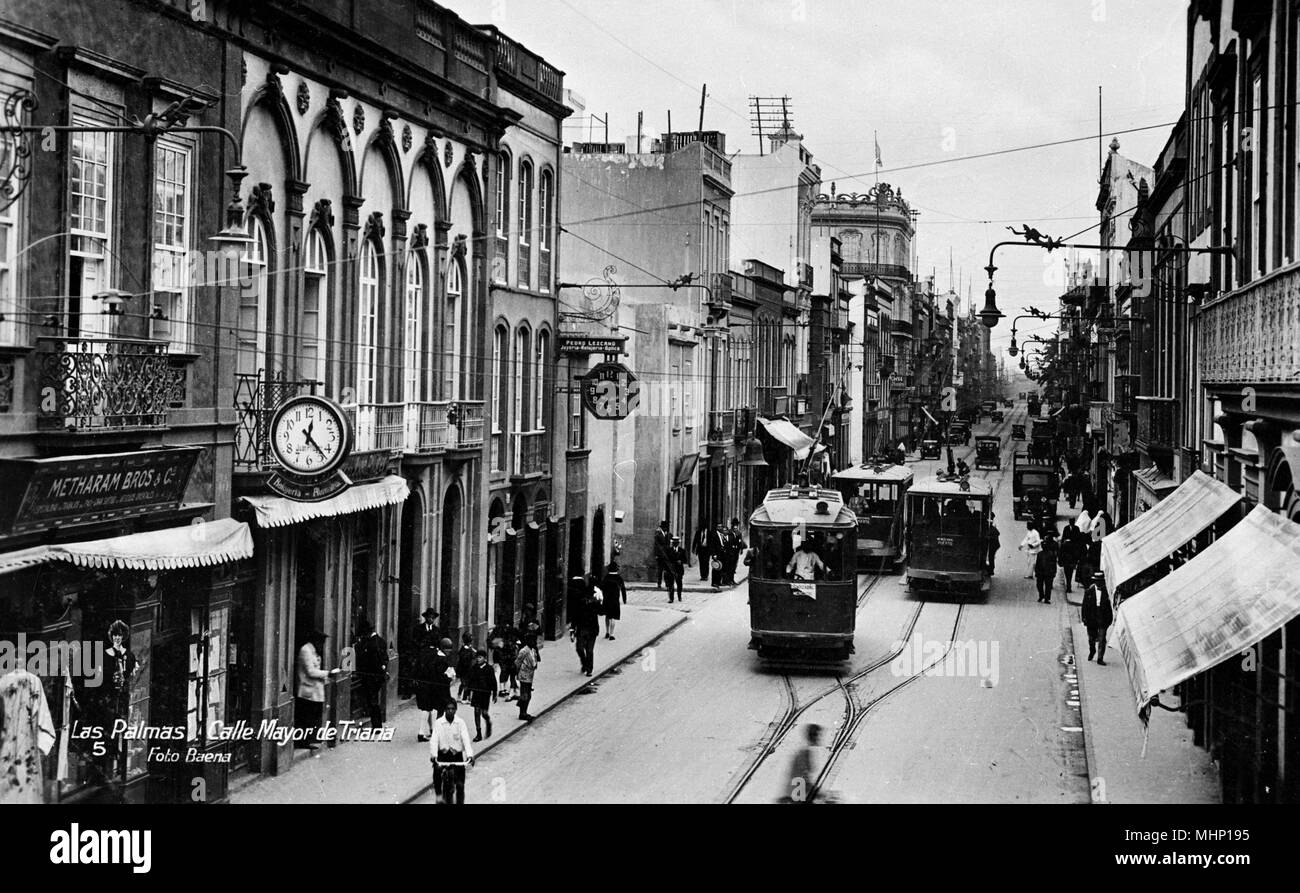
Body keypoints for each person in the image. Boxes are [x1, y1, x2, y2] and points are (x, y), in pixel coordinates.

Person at [295, 630, 336, 750]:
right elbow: (310, 671)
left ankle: (308, 740)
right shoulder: (306, 650)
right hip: (307, 691)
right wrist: (327, 673)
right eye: (321, 641)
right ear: (315, 640)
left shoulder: (315, 651)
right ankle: (303, 742)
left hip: (316, 691)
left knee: (312, 717)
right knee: (306, 717)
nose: (322, 644)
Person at [430, 700, 475, 804]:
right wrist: (434, 755)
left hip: (456, 756)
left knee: (460, 785)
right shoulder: (438, 723)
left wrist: (470, 755)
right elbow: (434, 740)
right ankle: (439, 795)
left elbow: (466, 739)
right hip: (443, 755)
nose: (450, 711)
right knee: (437, 770)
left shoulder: (460, 723)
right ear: (445, 710)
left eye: (452, 709)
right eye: (448, 709)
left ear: (455, 710)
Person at [354, 618, 389, 729]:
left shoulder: (370, 644)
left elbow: (369, 661)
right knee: (373, 700)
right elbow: (385, 658)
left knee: (372, 701)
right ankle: (377, 725)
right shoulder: (381, 641)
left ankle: (377, 726)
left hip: (371, 677)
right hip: (378, 676)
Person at [1080, 572, 1114, 665]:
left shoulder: (1107, 592)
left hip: (1102, 618)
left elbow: (1109, 607)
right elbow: (1084, 606)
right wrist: (1084, 618)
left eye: (1101, 581)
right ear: (1094, 581)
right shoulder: (1089, 592)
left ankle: (1100, 658)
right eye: (1097, 581)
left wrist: (1109, 619)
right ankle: (1092, 650)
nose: (1099, 583)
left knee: (1102, 639)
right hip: (1092, 618)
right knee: (1091, 638)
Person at [786, 723, 823, 803]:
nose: (819, 737)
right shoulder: (805, 752)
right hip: (799, 789)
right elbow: (800, 776)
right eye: (817, 735)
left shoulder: (807, 751)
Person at [466, 650, 497, 742]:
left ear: (485, 658)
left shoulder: (489, 669)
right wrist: (468, 693)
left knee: (484, 713)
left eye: (480, 657)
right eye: (477, 657)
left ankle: (488, 723)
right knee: (476, 712)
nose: (478, 659)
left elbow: (493, 682)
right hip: (476, 693)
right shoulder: (474, 668)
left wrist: (494, 694)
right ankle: (478, 733)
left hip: (485, 694)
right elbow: (470, 680)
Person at [488, 622, 519, 699]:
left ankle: (504, 689)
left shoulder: (504, 635)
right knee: (507, 672)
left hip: (504, 657)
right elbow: (491, 642)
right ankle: (504, 689)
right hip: (505, 657)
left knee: (505, 672)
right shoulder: (506, 636)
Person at [600, 561, 627, 640]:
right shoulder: (619, 578)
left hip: (607, 600)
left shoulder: (606, 577)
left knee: (607, 616)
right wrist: (624, 599)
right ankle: (612, 634)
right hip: (615, 600)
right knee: (613, 617)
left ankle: (607, 632)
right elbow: (623, 589)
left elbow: (601, 587)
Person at [1059, 518, 1087, 594]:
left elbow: (1078, 540)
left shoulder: (1076, 528)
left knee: (1070, 573)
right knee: (1067, 573)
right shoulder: (1066, 528)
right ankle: (1068, 585)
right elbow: (1063, 537)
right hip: (1067, 559)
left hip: (1072, 558)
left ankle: (1069, 585)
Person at [515, 634, 538, 722]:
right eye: (532, 640)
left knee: (528, 694)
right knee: (525, 694)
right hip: (524, 675)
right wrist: (517, 674)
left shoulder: (533, 650)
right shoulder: (524, 651)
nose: (534, 642)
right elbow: (517, 662)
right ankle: (522, 713)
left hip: (530, 675)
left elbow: (535, 661)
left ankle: (524, 711)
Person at [1035, 535, 1058, 604]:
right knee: (1039, 585)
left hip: (1048, 572)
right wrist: (1036, 572)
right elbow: (1037, 564)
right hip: (1040, 572)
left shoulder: (1051, 554)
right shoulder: (1039, 554)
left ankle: (1047, 598)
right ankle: (1041, 595)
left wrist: (1054, 572)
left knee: (1048, 586)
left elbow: (1054, 564)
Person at [723, 518, 747, 586]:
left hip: (736, 551)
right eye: (734, 525)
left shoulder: (738, 533)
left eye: (736, 525)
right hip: (730, 551)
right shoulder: (729, 533)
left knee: (733, 566)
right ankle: (728, 580)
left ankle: (732, 579)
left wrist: (741, 549)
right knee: (729, 566)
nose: (735, 527)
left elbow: (740, 542)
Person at [664, 535, 688, 603]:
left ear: (678, 543)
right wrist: (667, 569)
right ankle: (671, 598)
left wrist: (681, 561)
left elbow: (685, 560)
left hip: (679, 570)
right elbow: (666, 560)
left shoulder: (682, 550)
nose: (675, 544)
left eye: (676, 542)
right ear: (672, 543)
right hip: (671, 569)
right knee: (671, 584)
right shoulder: (669, 550)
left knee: (679, 584)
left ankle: (679, 596)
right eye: (674, 542)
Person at [455, 632, 476, 702]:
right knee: (465, 684)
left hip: (464, 669)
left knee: (465, 684)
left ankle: (462, 696)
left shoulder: (464, 649)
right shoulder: (467, 650)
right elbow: (469, 658)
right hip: (465, 669)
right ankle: (464, 698)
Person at [654, 520, 672, 589]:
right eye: (665, 527)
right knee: (660, 570)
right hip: (660, 554)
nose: (666, 529)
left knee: (667, 570)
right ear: (663, 527)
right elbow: (656, 545)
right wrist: (657, 554)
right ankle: (659, 583)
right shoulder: (658, 533)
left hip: (666, 555)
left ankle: (667, 583)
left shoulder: (667, 534)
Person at [708, 523, 728, 588]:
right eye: (718, 527)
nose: (720, 528)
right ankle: (714, 582)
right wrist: (714, 554)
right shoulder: (714, 535)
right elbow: (712, 545)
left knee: (720, 568)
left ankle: (719, 582)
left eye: (721, 527)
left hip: (722, 554)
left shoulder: (722, 535)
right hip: (716, 554)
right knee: (715, 568)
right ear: (716, 528)